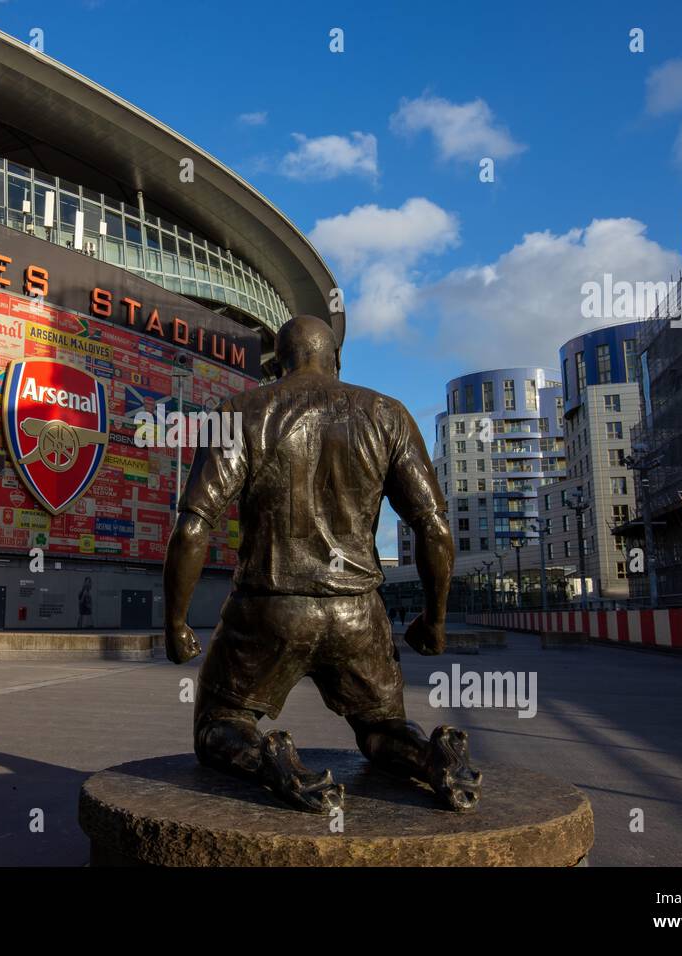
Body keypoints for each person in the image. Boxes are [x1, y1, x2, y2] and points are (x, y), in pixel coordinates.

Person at [164, 315, 480, 814]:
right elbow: (434, 528)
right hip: (357, 613)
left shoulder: (239, 412)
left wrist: (176, 623)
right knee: (383, 730)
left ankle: (270, 759)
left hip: (268, 610)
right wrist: (434, 620)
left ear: (278, 364)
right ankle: (429, 756)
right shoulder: (388, 414)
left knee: (217, 727)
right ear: (337, 360)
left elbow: (192, 526)